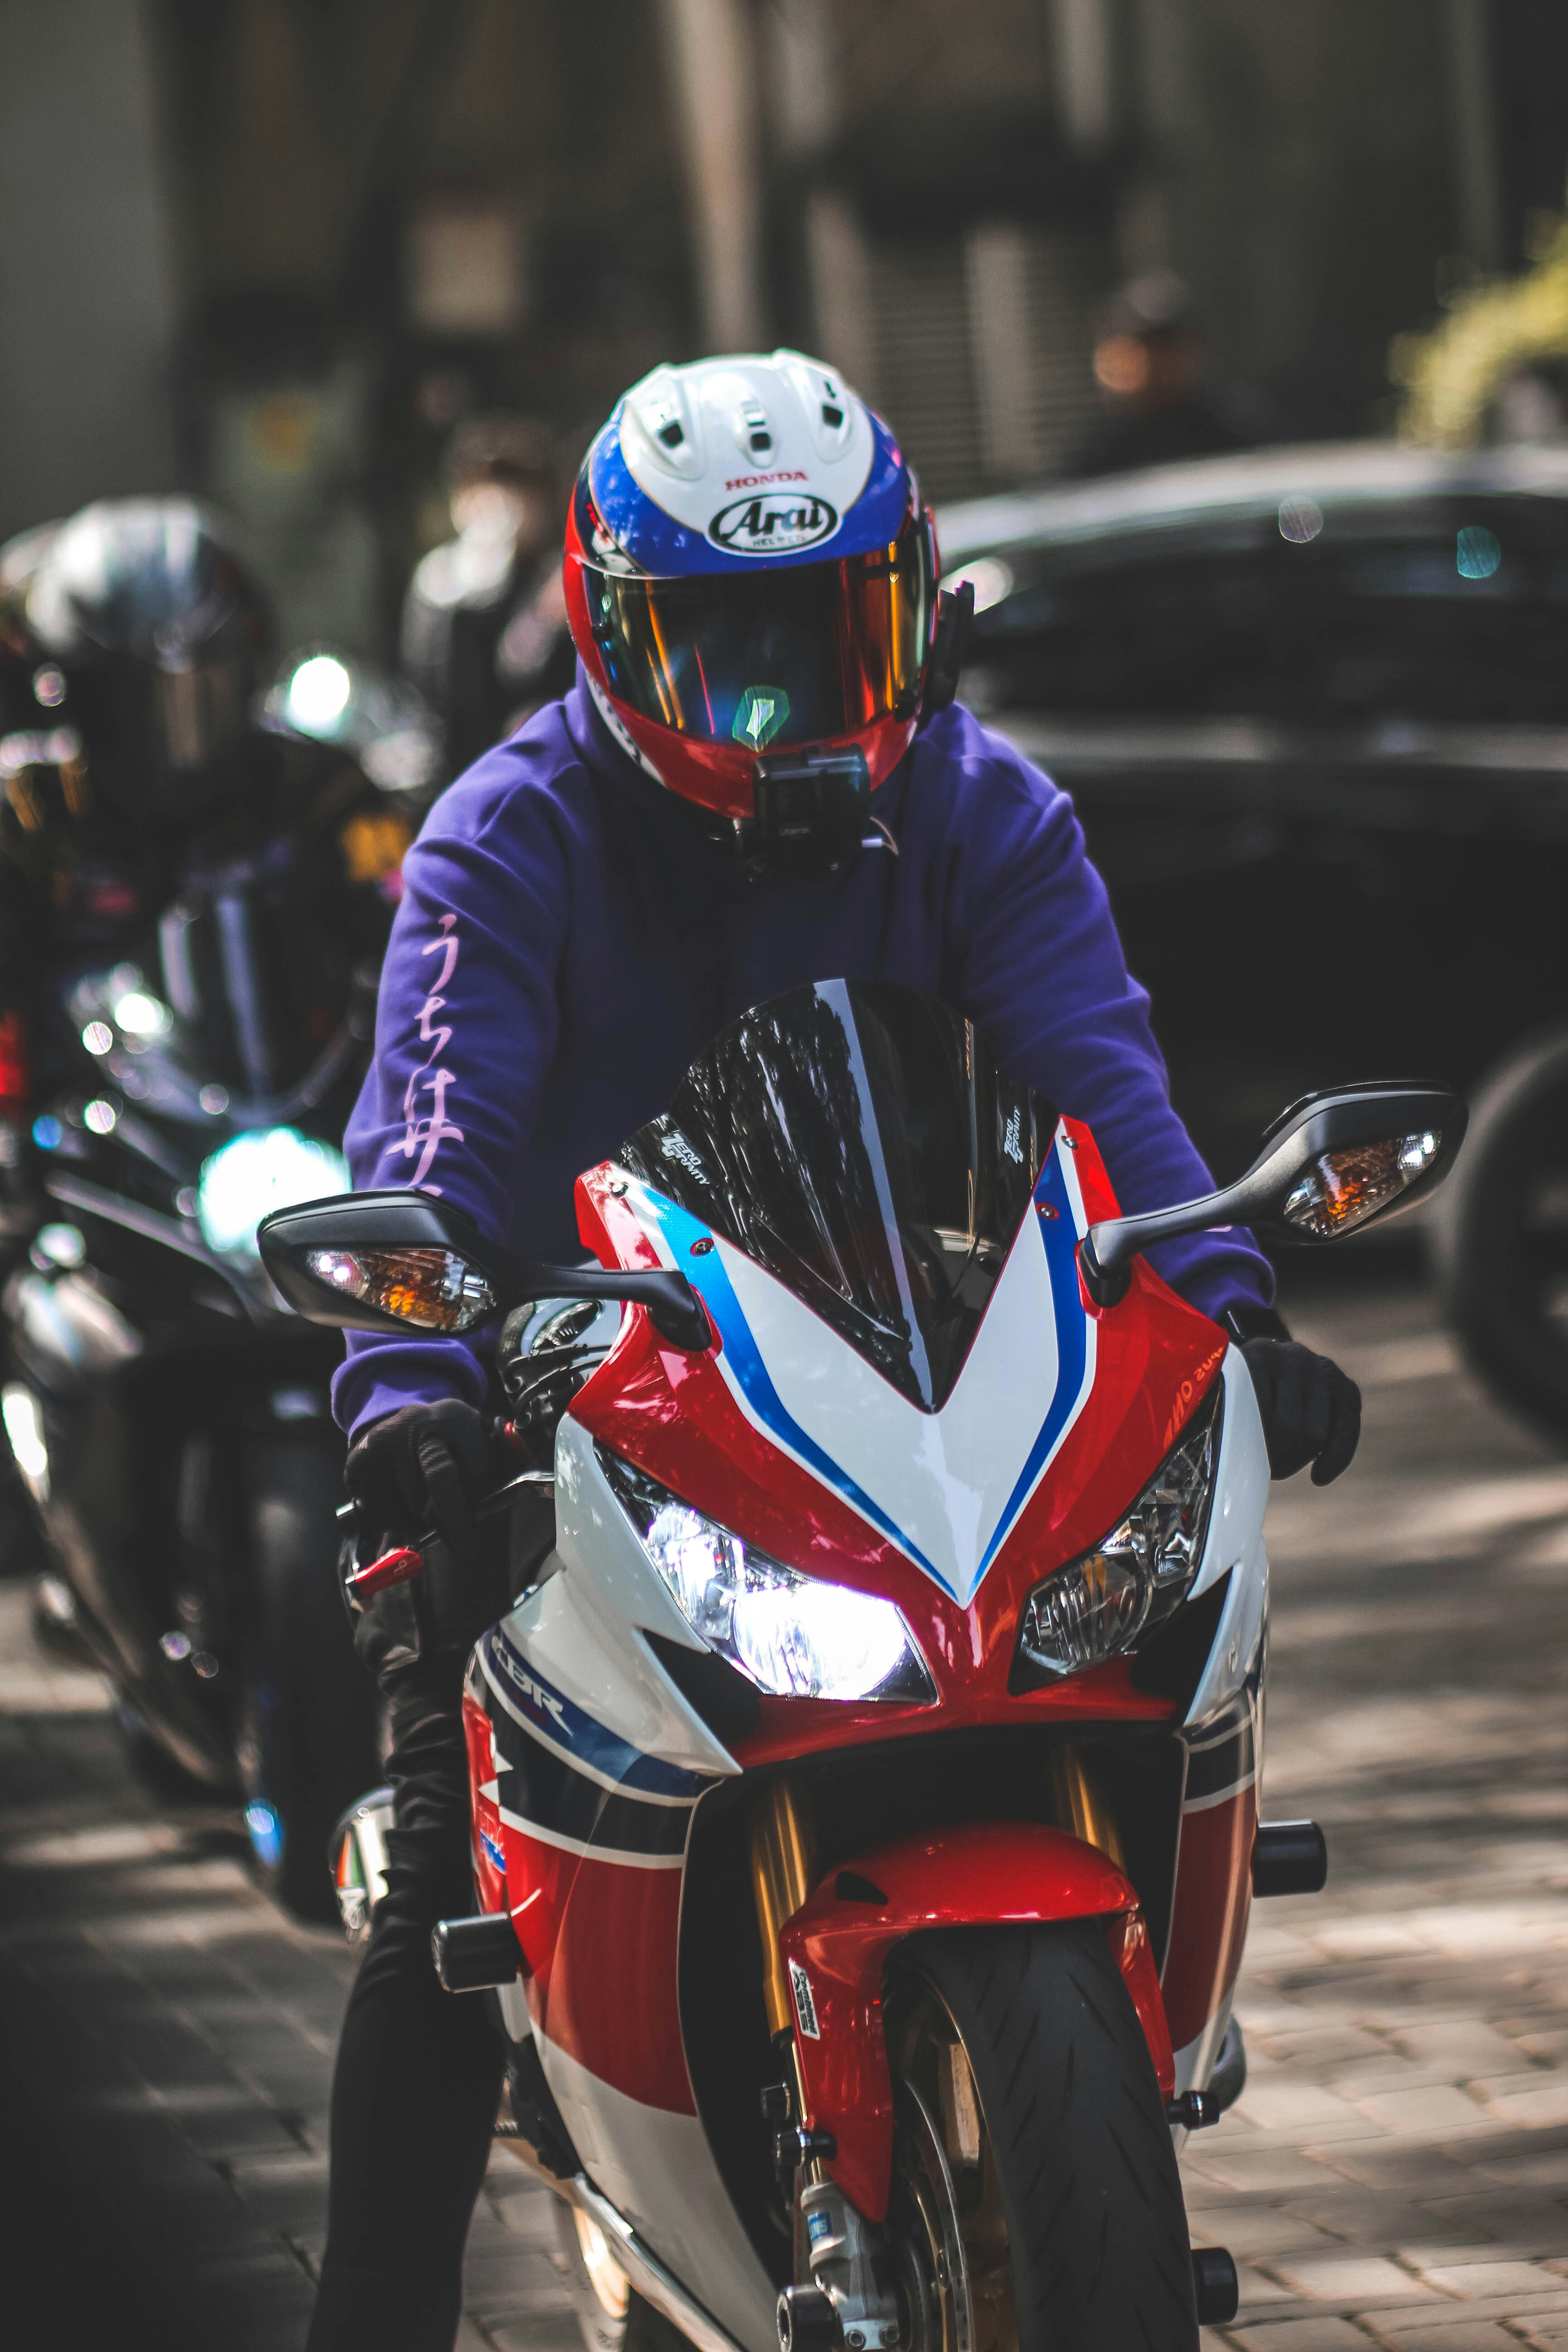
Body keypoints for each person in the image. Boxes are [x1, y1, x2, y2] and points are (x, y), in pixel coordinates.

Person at [311, 350, 1361, 2352]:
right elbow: (428, 1136)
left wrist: (1234, 1308)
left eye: (832, 630)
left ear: (911, 601)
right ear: (619, 636)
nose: (786, 694)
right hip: (595, 1412)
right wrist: (413, 1405)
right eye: (729, 647)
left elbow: (1104, 1083)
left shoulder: (977, 805)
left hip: (943, 1402)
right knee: (437, 1883)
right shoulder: (501, 837)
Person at [401, 415, 576, 779]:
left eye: (514, 486)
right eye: (479, 486)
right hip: (452, 765)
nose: (495, 502)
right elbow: (424, 684)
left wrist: (544, 619)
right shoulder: (439, 578)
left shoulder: (563, 580)